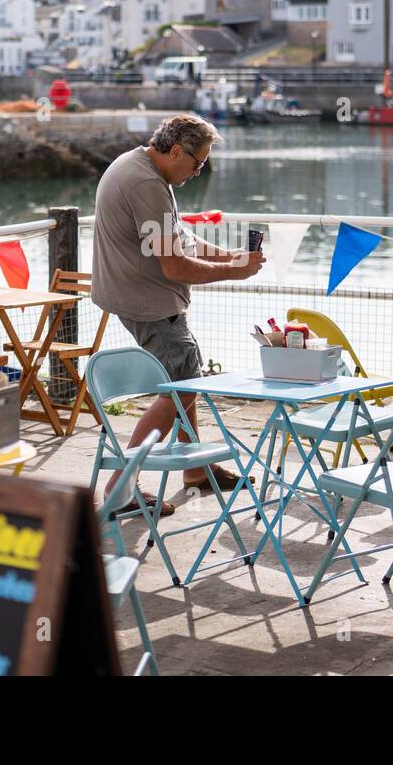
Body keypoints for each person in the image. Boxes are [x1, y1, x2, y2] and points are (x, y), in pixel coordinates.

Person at [91, 114, 264, 515]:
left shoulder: (141, 166)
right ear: (174, 151)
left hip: (135, 295)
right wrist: (236, 272)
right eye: (198, 162)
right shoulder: (148, 183)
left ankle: (196, 469)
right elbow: (176, 265)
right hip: (150, 303)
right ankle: (120, 488)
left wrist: (233, 256)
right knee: (181, 389)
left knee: (184, 380)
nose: (199, 171)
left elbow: (180, 238)